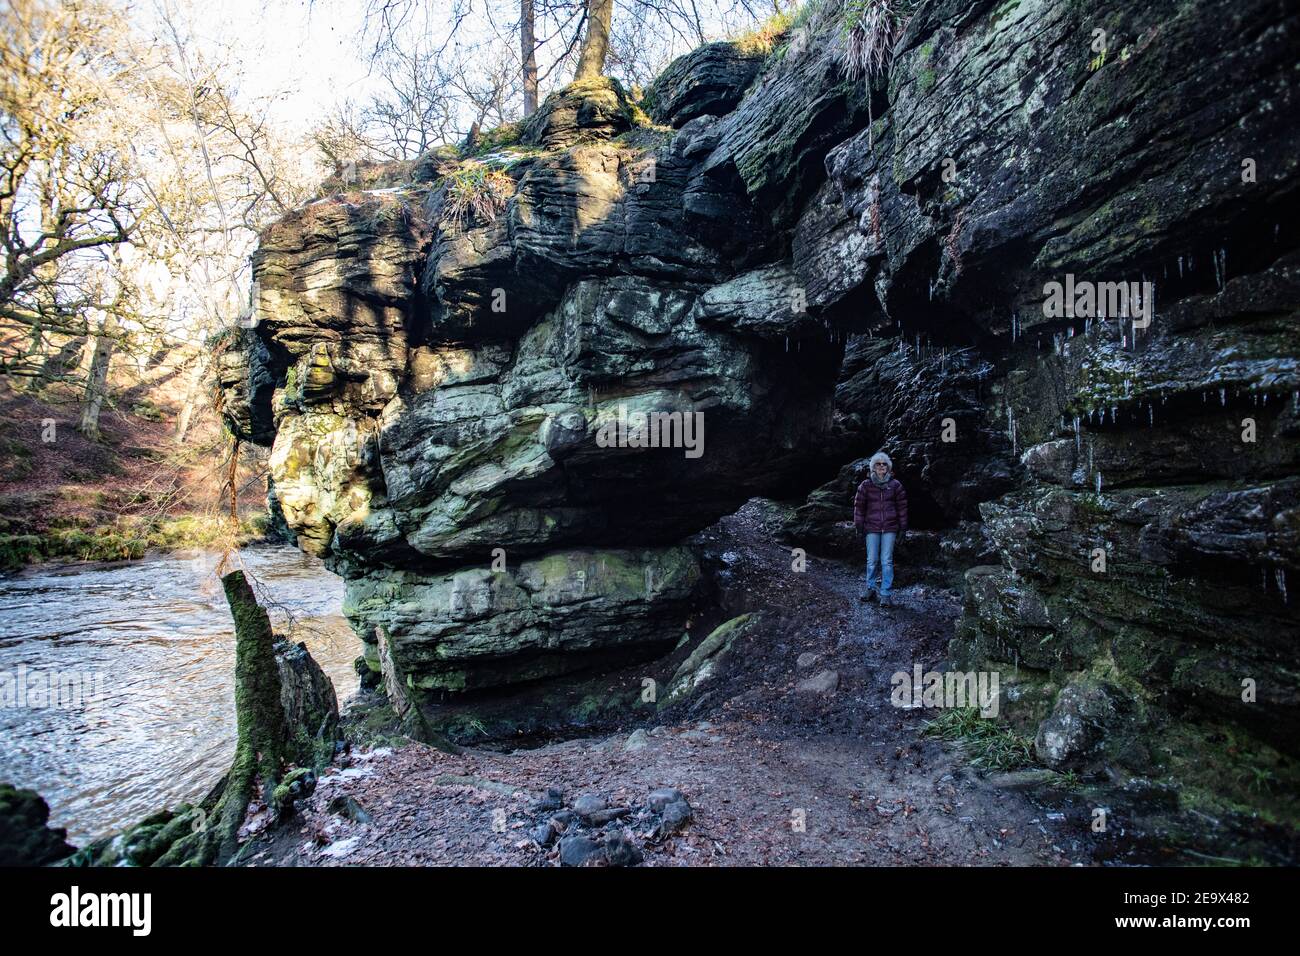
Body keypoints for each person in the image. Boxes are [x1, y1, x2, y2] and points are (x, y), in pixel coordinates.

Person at [853, 451, 908, 606]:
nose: (881, 466)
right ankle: (870, 588)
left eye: (884, 464)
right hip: (871, 527)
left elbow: (902, 508)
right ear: (873, 467)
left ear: (888, 467)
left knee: (887, 561)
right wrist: (858, 527)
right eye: (878, 464)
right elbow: (859, 508)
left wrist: (903, 529)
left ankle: (885, 594)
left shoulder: (896, 485)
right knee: (872, 560)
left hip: (890, 528)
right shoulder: (865, 486)